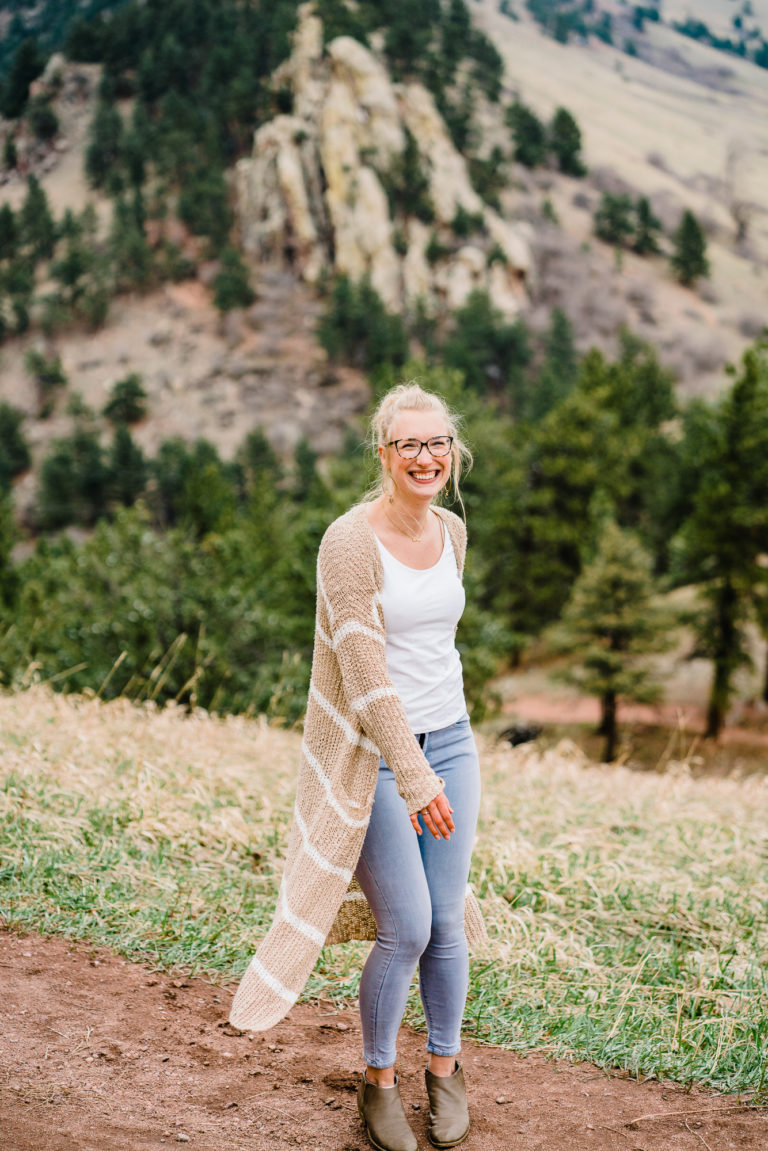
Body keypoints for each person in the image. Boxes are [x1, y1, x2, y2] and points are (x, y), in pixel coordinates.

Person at [230, 382, 485, 1151]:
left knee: (446, 923)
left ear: (453, 452)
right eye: (408, 443)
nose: (425, 456)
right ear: (383, 451)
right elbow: (367, 673)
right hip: (374, 759)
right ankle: (378, 1083)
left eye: (437, 442)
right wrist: (414, 775)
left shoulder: (451, 531)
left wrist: (442, 759)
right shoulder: (348, 541)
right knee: (404, 925)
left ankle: (445, 1067)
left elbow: (437, 645)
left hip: (454, 741)